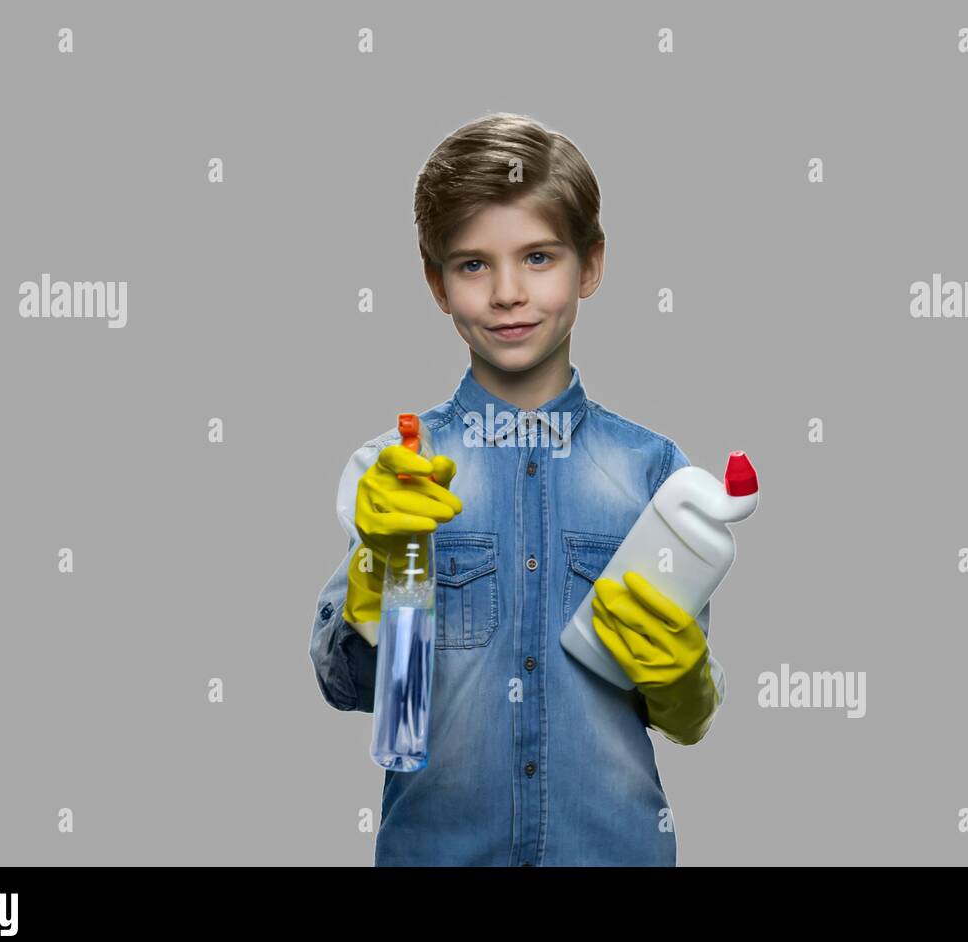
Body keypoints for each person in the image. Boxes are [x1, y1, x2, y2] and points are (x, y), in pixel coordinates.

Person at [309, 112, 726, 866]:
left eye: (538, 257)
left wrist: (685, 677)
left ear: (590, 265)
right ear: (436, 284)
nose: (507, 293)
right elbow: (361, 693)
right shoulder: (399, 470)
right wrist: (381, 566)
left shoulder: (654, 472)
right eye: (472, 265)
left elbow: (688, 718)